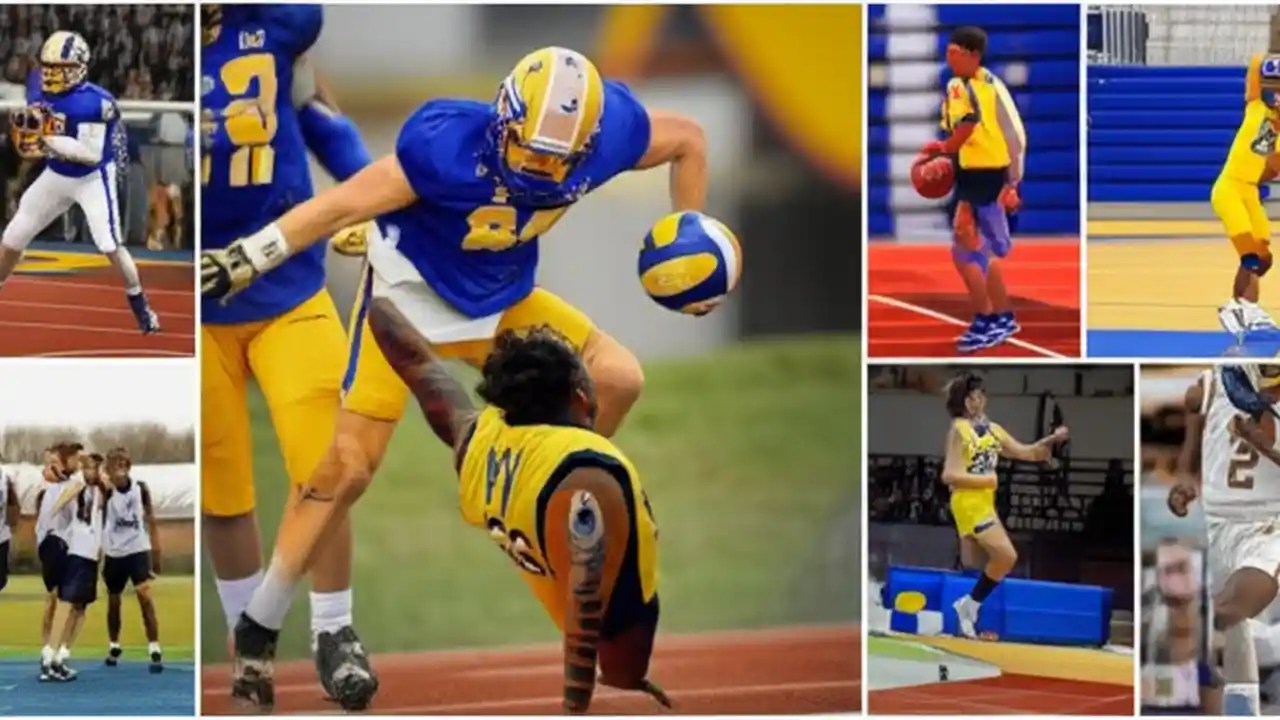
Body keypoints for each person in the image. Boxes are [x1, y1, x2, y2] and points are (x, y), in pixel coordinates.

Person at [200, 45, 706, 712]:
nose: (542, 169)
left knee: (618, 377)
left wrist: (690, 235)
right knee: (346, 467)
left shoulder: (611, 134)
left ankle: (523, 490)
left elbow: (688, 141)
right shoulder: (444, 145)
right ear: (503, 121)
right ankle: (261, 621)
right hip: (406, 299)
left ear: (589, 143)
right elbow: (338, 206)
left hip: (501, 303)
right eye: (532, 150)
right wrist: (247, 257)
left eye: (560, 158)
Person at [199, 4, 378, 709]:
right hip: (190, 302)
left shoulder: (282, 20)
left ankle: (335, 630)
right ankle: (249, 646)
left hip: (288, 283)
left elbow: (313, 110)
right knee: (221, 485)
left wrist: (373, 193)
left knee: (328, 461)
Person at [2, 31, 159, 333]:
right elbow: (34, 127)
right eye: (49, 67)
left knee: (109, 244)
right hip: (57, 173)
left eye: (60, 69)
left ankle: (141, 305)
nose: (51, 74)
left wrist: (46, 139)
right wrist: (33, 138)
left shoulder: (95, 103)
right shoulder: (36, 84)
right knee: (13, 236)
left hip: (92, 177)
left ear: (79, 68)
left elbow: (89, 155)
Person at [1170, 364, 1280, 714]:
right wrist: (1185, 474)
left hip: (1269, 524)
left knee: (1228, 610)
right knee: (1234, 629)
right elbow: (1194, 407)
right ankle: (1240, 709)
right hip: (1218, 522)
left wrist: (1261, 444)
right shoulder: (1222, 378)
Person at [919, 26, 1025, 353]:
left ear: (973, 55)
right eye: (947, 52)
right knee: (972, 248)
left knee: (970, 247)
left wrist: (1012, 181)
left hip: (986, 173)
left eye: (954, 53)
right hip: (974, 172)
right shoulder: (970, 84)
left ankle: (990, 319)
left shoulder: (975, 87)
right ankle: (997, 317)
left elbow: (1000, 133)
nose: (948, 58)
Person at [941, 372, 1068, 638]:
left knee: (1003, 559)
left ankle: (970, 605)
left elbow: (1026, 452)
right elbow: (949, 475)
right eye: (970, 398)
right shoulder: (959, 429)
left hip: (985, 502)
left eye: (979, 396)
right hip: (968, 501)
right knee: (1005, 555)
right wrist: (987, 480)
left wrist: (1050, 441)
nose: (976, 402)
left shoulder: (993, 430)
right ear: (962, 401)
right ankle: (969, 606)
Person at [1213, 55, 1280, 338]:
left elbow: (1272, 168)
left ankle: (1249, 307)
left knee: (1264, 257)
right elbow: (1255, 66)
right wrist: (1270, 59)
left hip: (1249, 191)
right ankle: (1233, 307)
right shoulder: (1255, 107)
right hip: (1229, 189)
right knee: (1250, 255)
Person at [47, 451, 107, 682]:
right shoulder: (77, 486)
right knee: (66, 603)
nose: (93, 472)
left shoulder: (100, 491)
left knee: (81, 607)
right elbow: (66, 496)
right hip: (76, 553)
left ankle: (63, 654)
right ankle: (50, 654)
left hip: (92, 555)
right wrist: (56, 508)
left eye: (96, 468)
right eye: (89, 467)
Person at [101, 446, 163, 672]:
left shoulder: (140, 488)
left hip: (137, 549)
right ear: (108, 468)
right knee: (114, 600)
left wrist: (156, 551)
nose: (120, 466)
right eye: (115, 463)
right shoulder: (105, 491)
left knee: (145, 596)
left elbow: (150, 518)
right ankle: (114, 645)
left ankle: (154, 647)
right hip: (114, 552)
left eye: (123, 462)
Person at [35, 442, 79, 680]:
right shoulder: (51, 485)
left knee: (60, 601)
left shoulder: (69, 483)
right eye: (74, 459)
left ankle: (52, 656)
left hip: (62, 544)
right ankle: (50, 656)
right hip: (54, 543)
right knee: (58, 600)